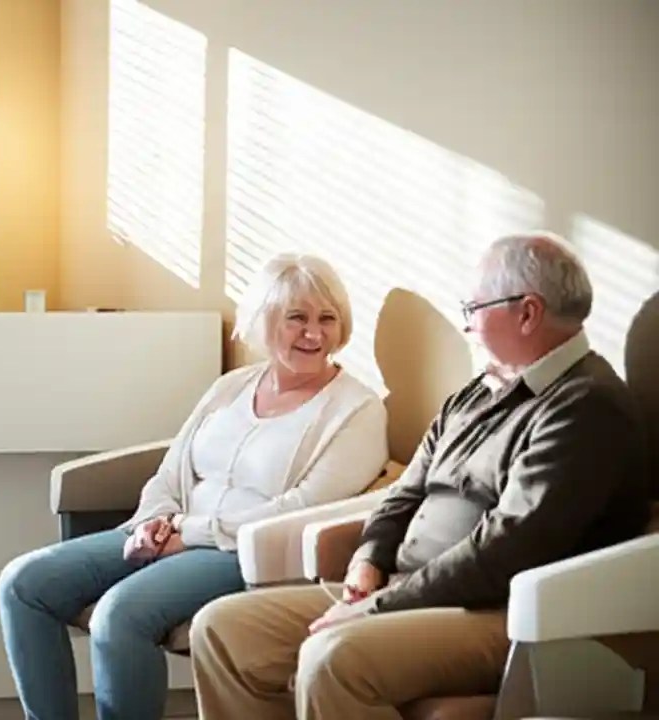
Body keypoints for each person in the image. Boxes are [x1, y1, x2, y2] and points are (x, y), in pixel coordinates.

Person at [189, 232, 650, 720]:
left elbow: (508, 548)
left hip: (500, 612)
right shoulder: (479, 392)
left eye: (474, 308)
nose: (467, 324)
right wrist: (369, 560)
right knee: (222, 629)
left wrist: (380, 606)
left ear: (527, 313)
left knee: (332, 658)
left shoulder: (585, 406)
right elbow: (404, 493)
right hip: (411, 589)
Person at [0, 253, 390, 720]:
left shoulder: (357, 410)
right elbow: (172, 471)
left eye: (327, 319)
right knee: (23, 583)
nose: (314, 333)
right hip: (176, 531)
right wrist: (153, 521)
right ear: (264, 320)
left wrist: (189, 533)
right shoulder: (232, 386)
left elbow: (301, 508)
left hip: (242, 550)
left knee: (120, 616)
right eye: (297, 318)